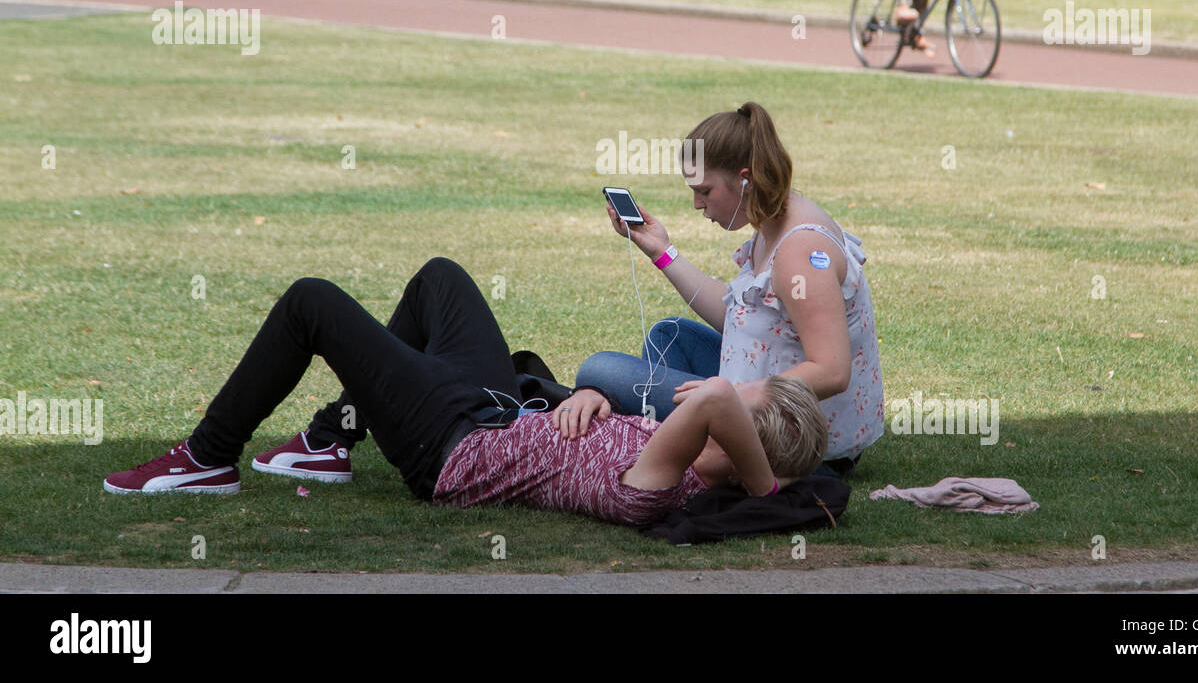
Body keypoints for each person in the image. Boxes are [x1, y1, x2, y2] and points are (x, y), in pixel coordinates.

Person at [103, 258, 826, 527]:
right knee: (441, 280)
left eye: (744, 396)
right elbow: (709, 408)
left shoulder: (667, 487)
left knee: (311, 302)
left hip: (449, 448)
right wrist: (588, 400)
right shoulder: (681, 451)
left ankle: (207, 456)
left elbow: (713, 403)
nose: (723, 385)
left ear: (742, 442)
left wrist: (765, 490)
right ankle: (330, 439)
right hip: (498, 406)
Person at [573, 102, 883, 477]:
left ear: (744, 179)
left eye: (704, 190)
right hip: (762, 402)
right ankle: (686, 441)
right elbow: (740, 322)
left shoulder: (801, 253)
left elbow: (832, 371)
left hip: (802, 443)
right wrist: (662, 251)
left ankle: (678, 445)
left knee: (600, 370)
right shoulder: (777, 215)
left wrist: (735, 396)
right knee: (670, 335)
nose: (696, 204)